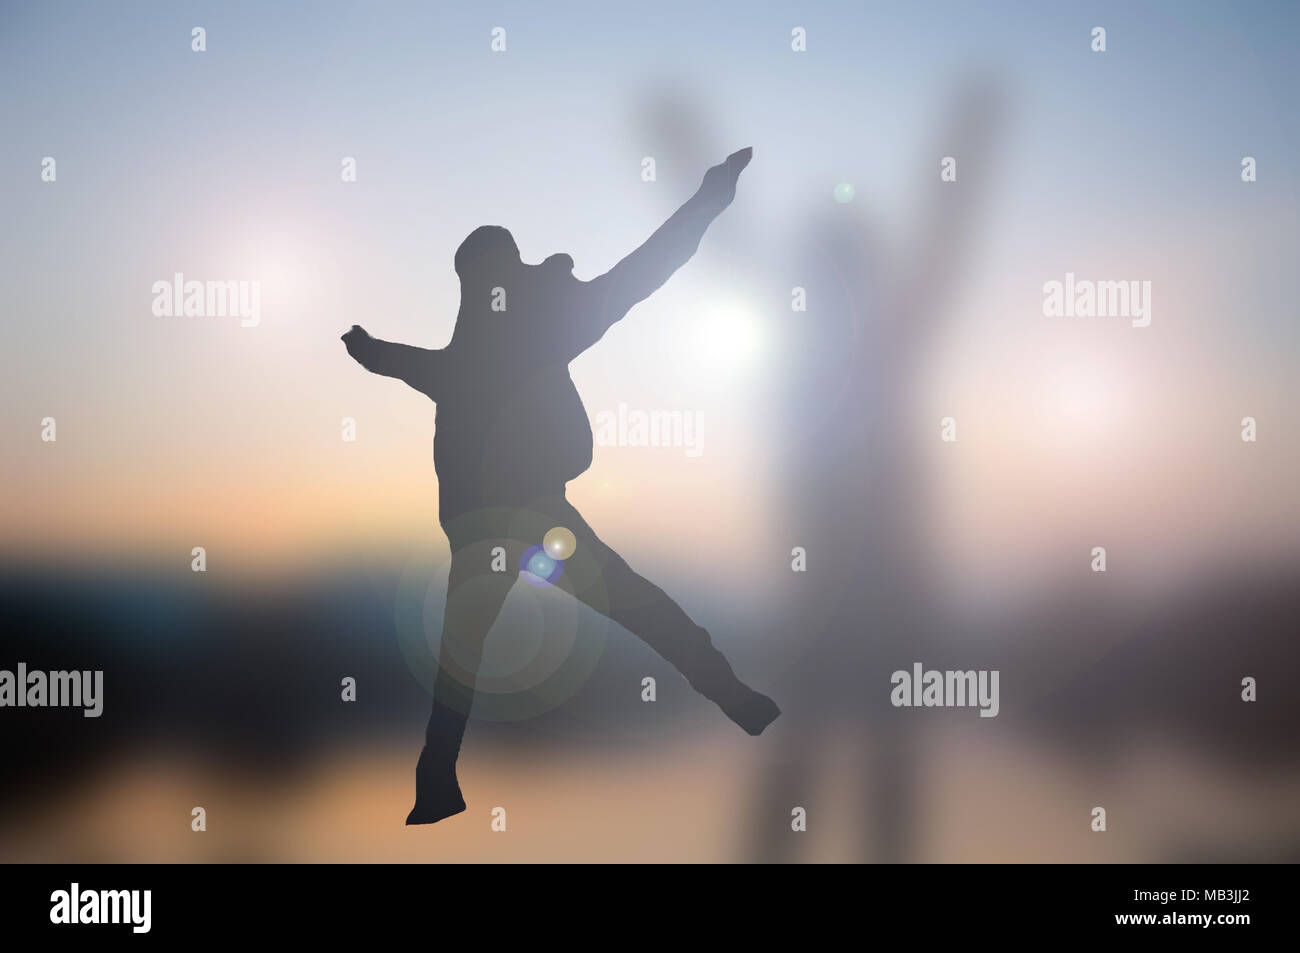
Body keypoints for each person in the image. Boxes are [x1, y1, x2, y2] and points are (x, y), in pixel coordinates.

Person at [342, 148, 779, 824]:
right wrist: (372, 351)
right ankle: (437, 779)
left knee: (496, 644)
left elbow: (641, 271)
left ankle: (437, 779)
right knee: (585, 618)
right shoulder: (499, 344)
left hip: (514, 523)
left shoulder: (509, 341)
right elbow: (410, 363)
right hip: (514, 524)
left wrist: (705, 205)